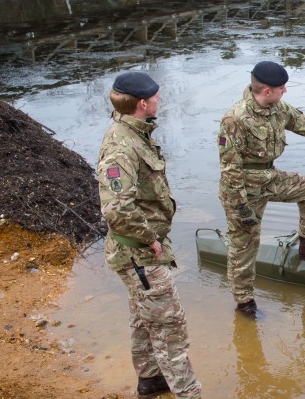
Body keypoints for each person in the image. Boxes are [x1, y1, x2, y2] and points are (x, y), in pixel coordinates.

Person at [217, 61, 305, 316]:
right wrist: (241, 207)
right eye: (282, 88)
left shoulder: (278, 108)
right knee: (244, 245)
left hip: (269, 177)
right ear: (267, 91)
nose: (285, 91)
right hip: (243, 188)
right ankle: (244, 302)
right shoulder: (234, 119)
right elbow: (229, 168)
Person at [97, 72, 202, 398]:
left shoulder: (133, 132)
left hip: (137, 251)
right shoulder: (121, 147)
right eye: (156, 96)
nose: (160, 100)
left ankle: (151, 380)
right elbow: (116, 209)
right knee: (170, 326)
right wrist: (149, 238)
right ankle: (188, 393)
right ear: (142, 103)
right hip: (139, 253)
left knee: (144, 317)